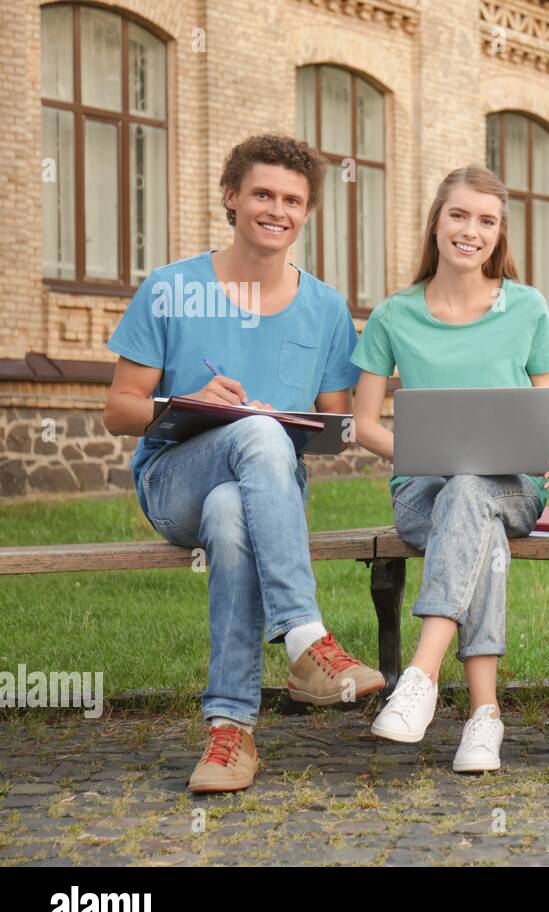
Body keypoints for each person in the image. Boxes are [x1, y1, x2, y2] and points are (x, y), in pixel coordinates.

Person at [103, 134, 382, 794]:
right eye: (262, 193)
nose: (276, 209)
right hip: (174, 480)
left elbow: (333, 427)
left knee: (236, 507)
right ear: (232, 197)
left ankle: (231, 733)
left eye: (292, 199)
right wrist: (186, 402)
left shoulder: (324, 308)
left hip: (263, 494)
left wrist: (279, 423)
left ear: (307, 212)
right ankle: (307, 639)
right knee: (252, 440)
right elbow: (118, 409)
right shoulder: (173, 288)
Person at [351, 166, 549, 773]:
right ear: (437, 222)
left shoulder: (527, 307)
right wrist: (424, 453)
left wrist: (542, 442)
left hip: (512, 487)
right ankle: (484, 717)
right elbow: (363, 423)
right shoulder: (395, 315)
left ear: (499, 235)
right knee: (475, 521)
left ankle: (420, 676)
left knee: (474, 487)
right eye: (459, 215)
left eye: (487, 221)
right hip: (423, 492)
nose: (471, 231)